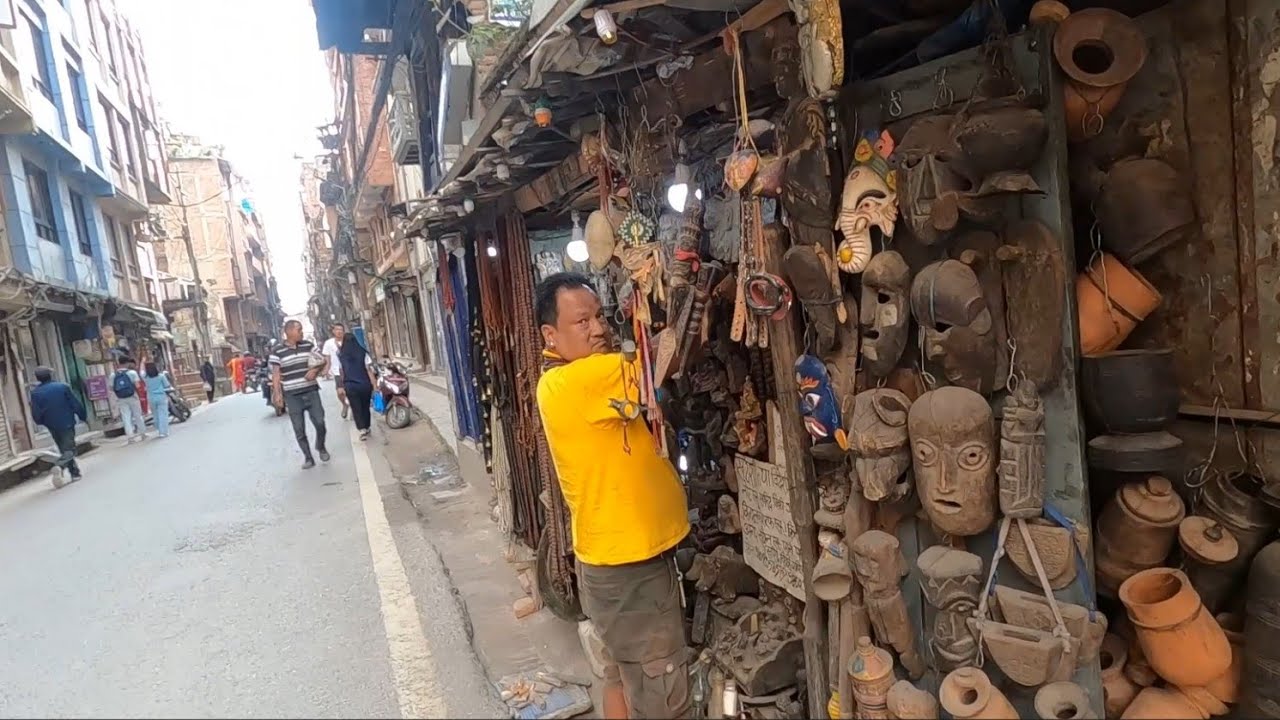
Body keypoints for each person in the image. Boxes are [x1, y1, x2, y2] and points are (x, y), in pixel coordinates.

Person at [534, 272, 691, 719]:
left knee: (622, 675)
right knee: (663, 696)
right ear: (551, 335)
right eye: (582, 321)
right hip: (630, 572)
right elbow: (661, 357)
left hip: (612, 564)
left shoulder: (565, 382)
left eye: (600, 316)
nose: (599, 328)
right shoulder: (583, 378)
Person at [270, 320, 329, 469]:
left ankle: (320, 446)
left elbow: (322, 360)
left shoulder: (308, 345)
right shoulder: (277, 351)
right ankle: (308, 457)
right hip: (292, 395)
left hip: (311, 390)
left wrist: (315, 371)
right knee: (299, 428)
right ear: (289, 332)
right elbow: (276, 374)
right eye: (299, 330)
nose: (301, 332)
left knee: (320, 422)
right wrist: (278, 395)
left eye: (301, 330)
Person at [30, 366, 87, 481]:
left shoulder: (35, 393)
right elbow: (74, 403)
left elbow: (35, 411)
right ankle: (59, 465)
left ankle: (74, 472)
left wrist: (41, 422)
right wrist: (82, 415)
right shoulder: (62, 387)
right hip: (66, 422)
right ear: (50, 375)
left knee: (63, 448)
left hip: (51, 424)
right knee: (70, 449)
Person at [336, 330, 378, 441]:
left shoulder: (341, 356)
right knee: (365, 406)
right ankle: (367, 426)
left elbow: (341, 372)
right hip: (364, 385)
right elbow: (369, 370)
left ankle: (362, 429)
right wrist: (374, 385)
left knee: (356, 408)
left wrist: (342, 385)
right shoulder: (363, 353)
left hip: (350, 386)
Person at [113, 357, 146, 443]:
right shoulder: (132, 373)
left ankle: (130, 437)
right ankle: (143, 434)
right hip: (132, 397)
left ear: (118, 363)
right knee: (137, 415)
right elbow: (138, 386)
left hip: (121, 398)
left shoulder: (113, 375)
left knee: (126, 417)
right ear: (127, 363)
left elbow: (110, 388)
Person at [321, 323, 350, 419]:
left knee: (351, 391)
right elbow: (327, 360)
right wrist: (326, 370)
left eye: (341, 329)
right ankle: (344, 404)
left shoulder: (349, 342)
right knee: (340, 393)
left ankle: (354, 408)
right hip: (338, 372)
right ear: (333, 331)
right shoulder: (328, 343)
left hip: (350, 370)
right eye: (337, 329)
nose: (339, 331)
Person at [143, 362, 174, 438]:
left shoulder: (145, 378)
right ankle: (163, 432)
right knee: (163, 414)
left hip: (151, 398)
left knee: (155, 414)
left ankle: (158, 428)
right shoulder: (161, 376)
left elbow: (141, 373)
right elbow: (167, 385)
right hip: (161, 397)